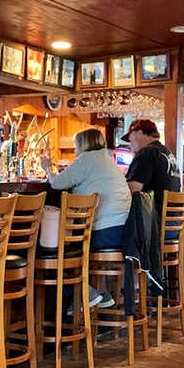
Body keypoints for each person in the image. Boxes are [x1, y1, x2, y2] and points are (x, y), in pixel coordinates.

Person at [41, 128, 131, 309]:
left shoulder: (86, 159)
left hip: (105, 233)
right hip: (125, 233)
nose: (75, 149)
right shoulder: (108, 160)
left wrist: (47, 168)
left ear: (82, 145)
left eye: (76, 145)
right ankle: (88, 297)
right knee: (65, 245)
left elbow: (57, 183)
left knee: (57, 248)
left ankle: (82, 294)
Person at [122, 119, 181, 216]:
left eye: (130, 138)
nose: (130, 144)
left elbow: (133, 191)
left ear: (139, 133)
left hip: (154, 221)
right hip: (174, 220)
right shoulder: (166, 152)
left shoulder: (147, 152)